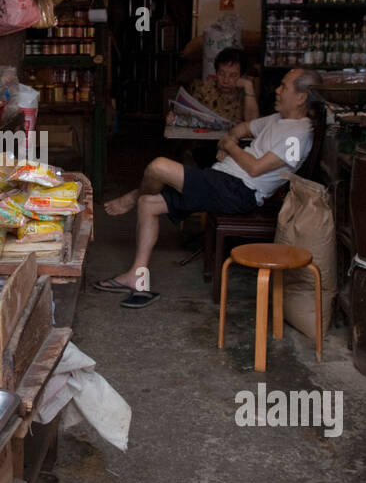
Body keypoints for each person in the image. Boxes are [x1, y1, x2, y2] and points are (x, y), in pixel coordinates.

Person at [96, 68, 323, 308]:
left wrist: (229, 146)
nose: (277, 90)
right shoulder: (279, 120)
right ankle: (137, 278)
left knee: (158, 167)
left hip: (240, 191)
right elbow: (242, 129)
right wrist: (231, 141)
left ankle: (133, 195)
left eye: (284, 87)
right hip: (222, 179)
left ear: (301, 97)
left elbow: (256, 169)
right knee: (149, 204)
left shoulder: (298, 136)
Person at [186, 47, 260, 124]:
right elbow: (188, 116)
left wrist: (248, 86)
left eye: (233, 75)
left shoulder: (246, 92)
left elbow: (253, 124)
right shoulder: (203, 89)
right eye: (221, 74)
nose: (225, 80)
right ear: (216, 73)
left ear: (241, 76)